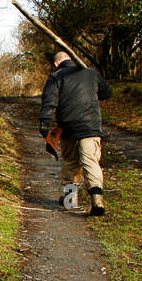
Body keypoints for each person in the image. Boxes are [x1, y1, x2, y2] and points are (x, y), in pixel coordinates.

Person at [39, 51, 112, 216]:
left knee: (71, 162)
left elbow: (49, 101)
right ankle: (97, 199)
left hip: (68, 127)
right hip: (91, 127)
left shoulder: (56, 76)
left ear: (56, 64)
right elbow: (107, 93)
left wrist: (44, 124)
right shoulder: (90, 73)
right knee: (90, 160)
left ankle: (70, 199)